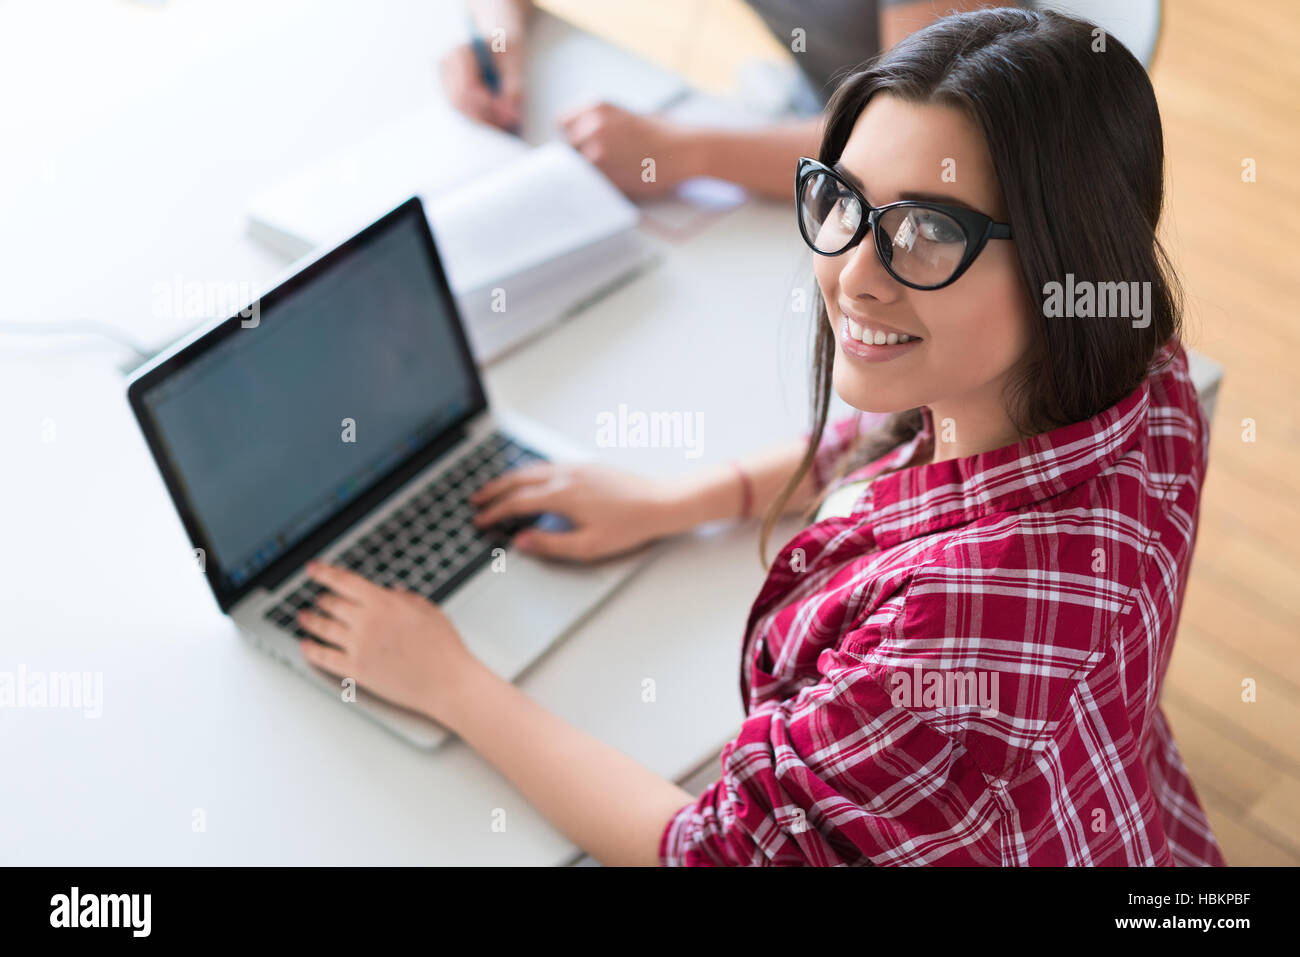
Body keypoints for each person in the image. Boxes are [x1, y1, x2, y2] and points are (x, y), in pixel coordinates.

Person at [298, 7, 1227, 866]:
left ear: (1066, 257)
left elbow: (706, 850)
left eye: (928, 230)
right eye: (844, 202)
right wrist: (680, 501)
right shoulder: (1140, 371)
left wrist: (450, 682)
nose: (852, 275)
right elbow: (903, 428)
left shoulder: (944, 644)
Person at [440, 0, 1016, 199]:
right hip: (807, 136)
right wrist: (498, 37)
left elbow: (922, 140)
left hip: (941, 201)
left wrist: (683, 152)